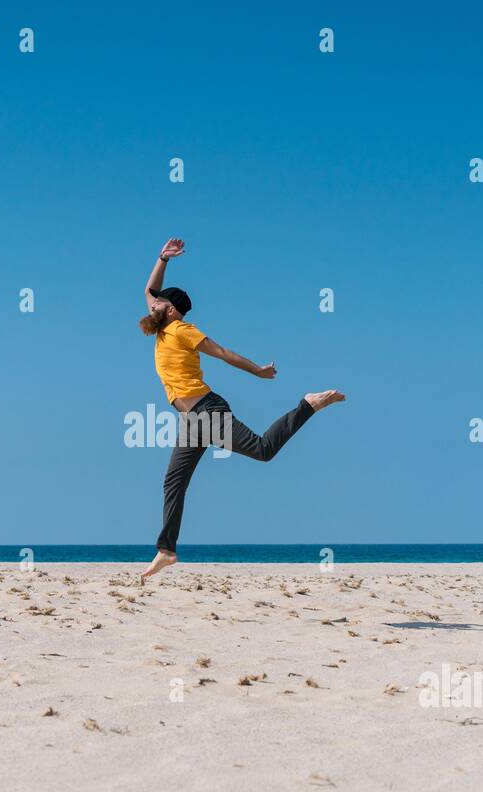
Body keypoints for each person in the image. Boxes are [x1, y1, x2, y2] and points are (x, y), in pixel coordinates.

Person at [138, 238, 345, 580]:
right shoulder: (161, 324)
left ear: (170, 309)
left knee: (263, 450)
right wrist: (163, 258)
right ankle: (167, 550)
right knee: (173, 481)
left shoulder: (182, 330)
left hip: (207, 411)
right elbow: (149, 287)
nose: (151, 305)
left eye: (158, 303)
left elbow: (222, 353)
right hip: (191, 420)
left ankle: (307, 405)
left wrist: (259, 371)